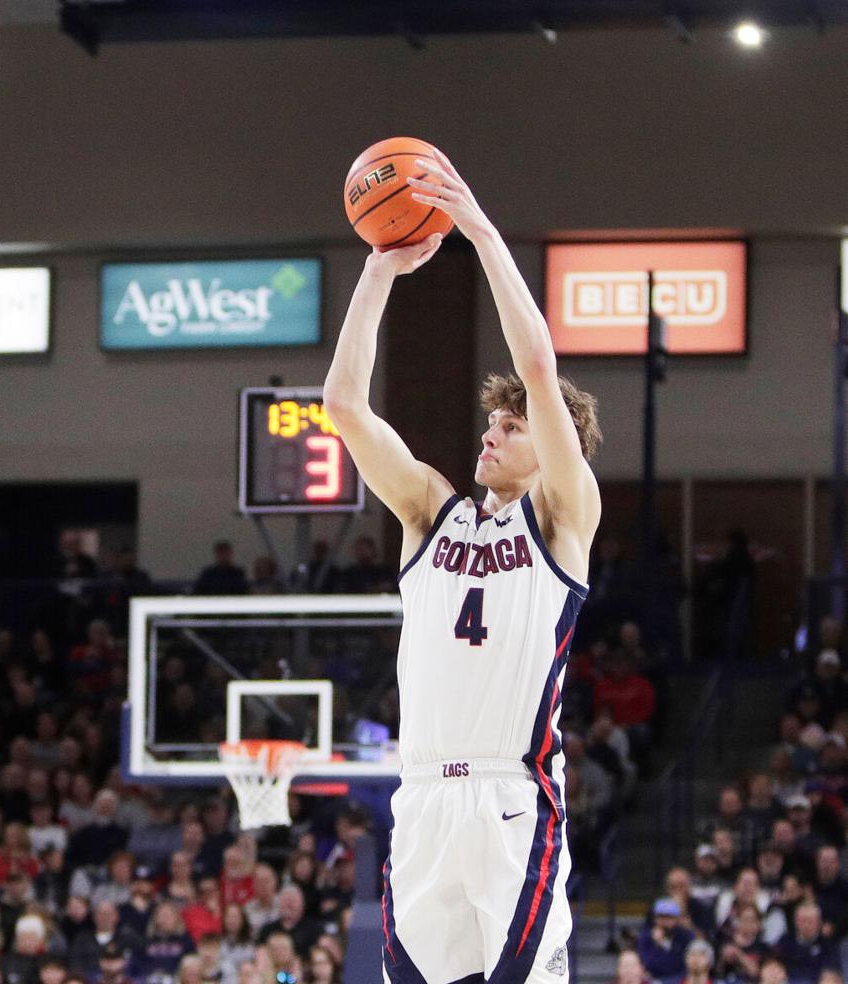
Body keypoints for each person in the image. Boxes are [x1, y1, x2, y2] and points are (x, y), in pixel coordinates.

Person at [323, 150, 602, 983]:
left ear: (553, 447)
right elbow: (343, 406)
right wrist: (377, 272)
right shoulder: (429, 511)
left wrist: (479, 232)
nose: (492, 432)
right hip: (422, 801)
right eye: (492, 421)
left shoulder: (562, 517)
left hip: (511, 801)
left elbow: (541, 370)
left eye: (513, 427)